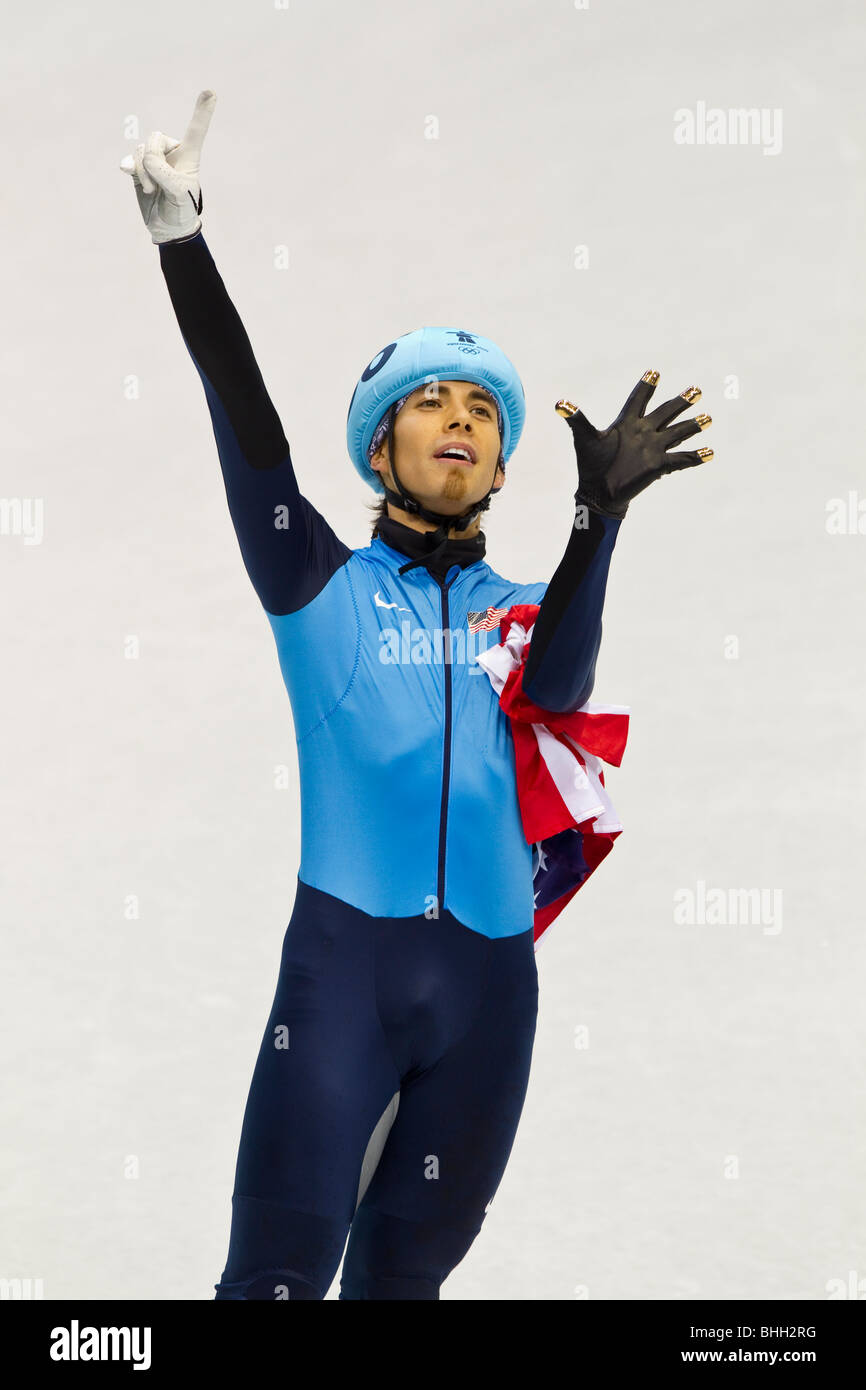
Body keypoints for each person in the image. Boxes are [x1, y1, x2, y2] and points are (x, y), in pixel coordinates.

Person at [121, 91, 712, 1301]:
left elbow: (558, 679)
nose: (462, 419)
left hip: (489, 1006)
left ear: (501, 467)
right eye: (431, 403)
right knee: (276, 1280)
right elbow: (253, 441)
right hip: (339, 989)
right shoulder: (320, 589)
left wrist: (595, 522)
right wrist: (185, 247)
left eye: (484, 410)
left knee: (402, 1290)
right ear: (379, 452)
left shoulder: (515, 617)